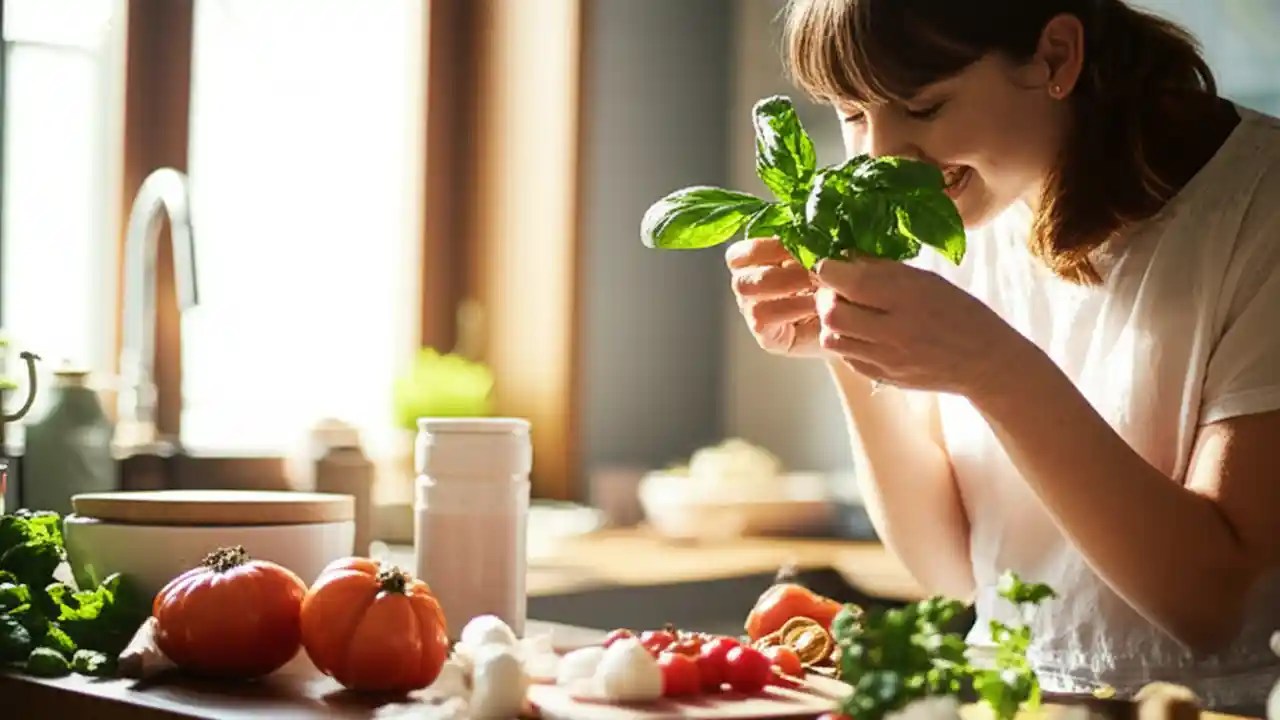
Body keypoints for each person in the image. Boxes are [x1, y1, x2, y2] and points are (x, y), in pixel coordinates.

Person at [727, 0, 1280, 712]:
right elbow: (952, 574)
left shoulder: (1259, 209)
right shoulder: (956, 208)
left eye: (922, 108)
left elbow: (1209, 608)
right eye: (852, 114)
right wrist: (844, 335)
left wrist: (993, 369)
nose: (878, 160)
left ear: (1055, 57)